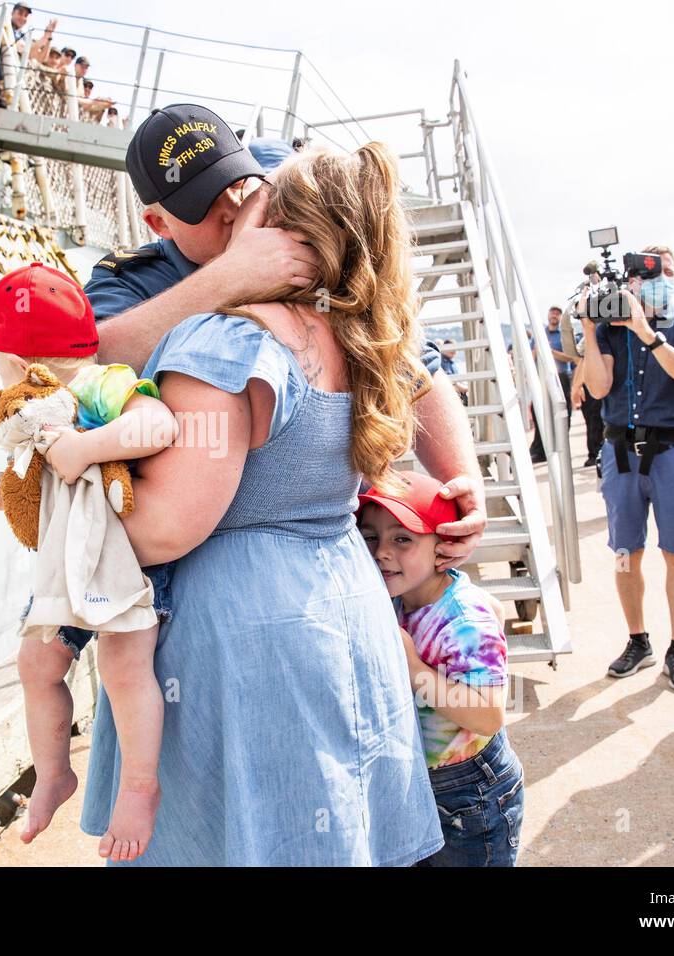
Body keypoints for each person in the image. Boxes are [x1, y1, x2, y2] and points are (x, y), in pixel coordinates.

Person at [77, 140, 447, 865]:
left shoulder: (226, 344)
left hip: (249, 642)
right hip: (344, 610)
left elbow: (163, 528)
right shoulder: (368, 337)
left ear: (279, 226)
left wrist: (58, 491)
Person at [84, 103, 489, 567]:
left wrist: (462, 477)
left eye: (237, 184)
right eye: (202, 204)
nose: (232, 209)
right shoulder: (133, 281)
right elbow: (87, 361)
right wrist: (228, 276)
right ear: (159, 223)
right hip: (182, 561)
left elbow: (408, 355)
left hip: (331, 546)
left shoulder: (296, 233)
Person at [0, 266, 178, 862]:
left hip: (120, 559)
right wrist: (4, 495)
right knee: (36, 664)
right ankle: (53, 772)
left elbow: (157, 424)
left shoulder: (103, 384)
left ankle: (139, 785)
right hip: (63, 562)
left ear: (24, 362)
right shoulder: (32, 414)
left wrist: (83, 446)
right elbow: (44, 489)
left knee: (123, 669)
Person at [358, 473, 523, 867]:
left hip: (470, 794)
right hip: (425, 780)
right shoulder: (399, 594)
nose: (382, 551)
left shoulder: (462, 619)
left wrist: (415, 668)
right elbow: (496, 611)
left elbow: (488, 715)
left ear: (444, 548)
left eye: (402, 539)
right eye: (370, 537)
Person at [579, 245, 674, 691]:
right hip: (620, 455)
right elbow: (598, 387)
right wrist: (590, 331)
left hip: (672, 452)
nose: (659, 279)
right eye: (650, 273)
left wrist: (646, 330)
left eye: (666, 272)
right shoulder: (613, 331)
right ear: (630, 280)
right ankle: (638, 640)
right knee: (623, 554)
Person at [528, 306, 576, 464]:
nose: (554, 316)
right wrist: (538, 350)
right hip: (542, 378)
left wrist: (550, 352)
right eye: (552, 313)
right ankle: (540, 449)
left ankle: (562, 446)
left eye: (557, 313)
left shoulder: (565, 334)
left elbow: (570, 358)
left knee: (563, 413)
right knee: (539, 412)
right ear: (548, 315)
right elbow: (531, 356)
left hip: (560, 377)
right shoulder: (539, 333)